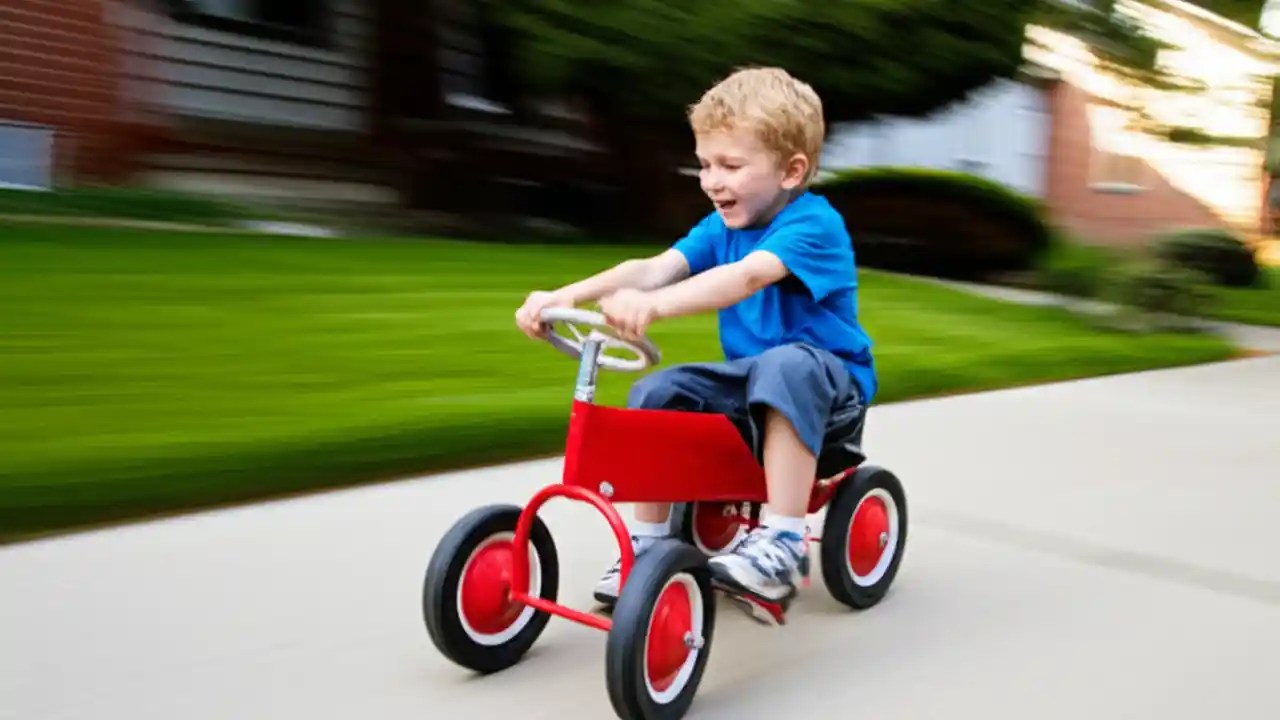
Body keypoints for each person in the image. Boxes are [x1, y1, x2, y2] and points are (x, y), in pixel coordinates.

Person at [514, 66, 876, 624]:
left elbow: (748, 278)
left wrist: (655, 307)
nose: (712, 180)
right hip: (754, 383)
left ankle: (782, 544)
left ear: (791, 170)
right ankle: (648, 547)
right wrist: (564, 295)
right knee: (661, 389)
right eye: (705, 164)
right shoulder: (720, 228)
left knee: (784, 365)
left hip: (831, 393)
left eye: (731, 166)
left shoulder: (814, 224)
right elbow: (653, 267)